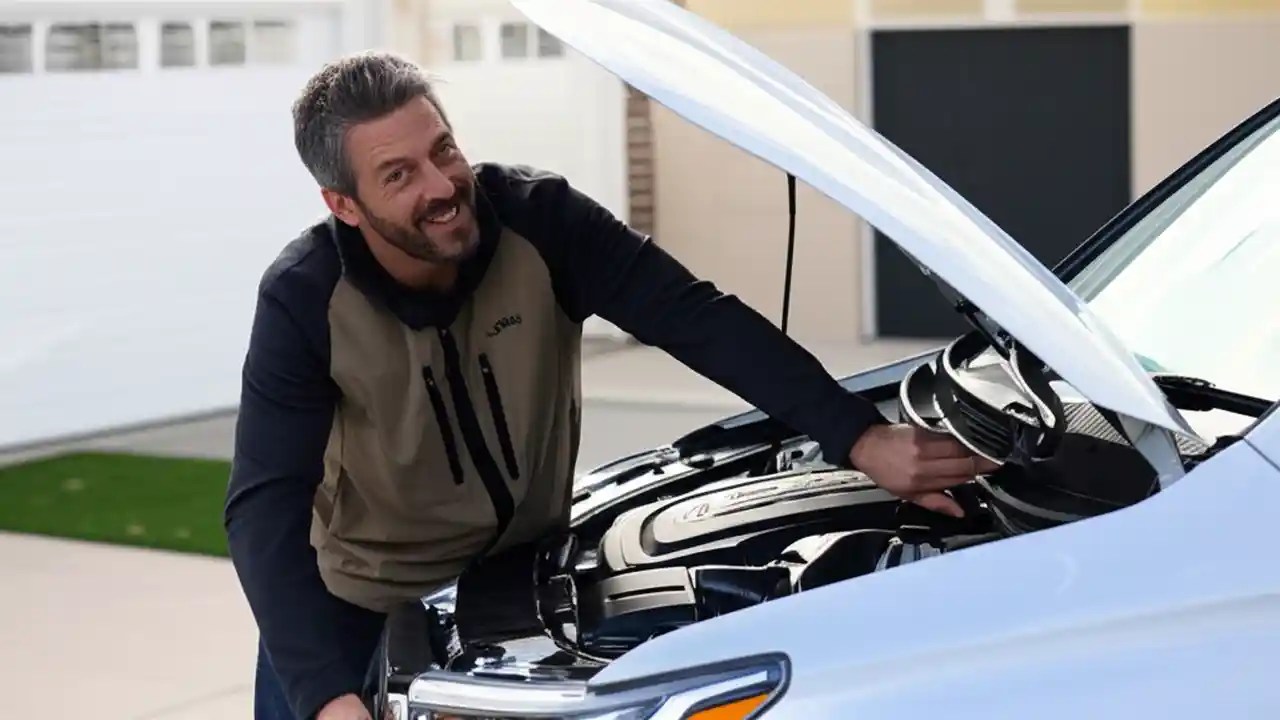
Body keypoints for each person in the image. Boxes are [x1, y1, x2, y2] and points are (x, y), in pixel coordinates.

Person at [224, 50, 998, 720]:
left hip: (517, 592)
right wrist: (325, 695)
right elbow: (264, 508)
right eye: (400, 174)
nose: (442, 184)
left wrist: (858, 435)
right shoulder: (304, 299)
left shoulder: (542, 222)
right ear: (343, 205)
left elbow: (696, 318)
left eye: (444, 148)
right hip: (353, 617)